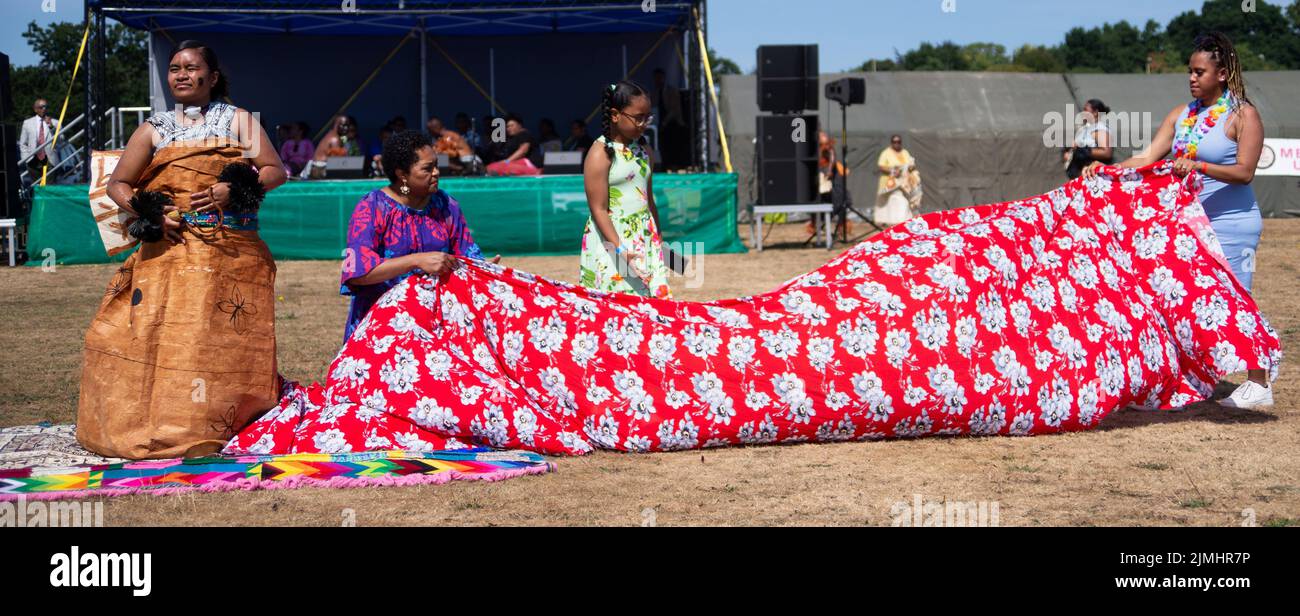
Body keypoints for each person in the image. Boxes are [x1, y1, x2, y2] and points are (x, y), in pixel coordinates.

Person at [77, 40, 288, 460]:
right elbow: (118, 184)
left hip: (228, 252)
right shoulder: (154, 128)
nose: (181, 75)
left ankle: (226, 422)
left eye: (191, 68)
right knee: (164, 336)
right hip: (168, 252)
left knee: (215, 338)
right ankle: (159, 423)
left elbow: (275, 170)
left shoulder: (240, 120)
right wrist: (148, 210)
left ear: (212, 77)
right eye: (174, 68)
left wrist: (236, 187)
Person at [1083, 32, 1271, 410]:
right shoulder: (1181, 115)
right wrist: (1106, 170)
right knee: (1179, 298)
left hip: (1232, 221)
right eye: (1189, 71)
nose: (1192, 78)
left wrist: (1199, 165)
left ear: (1222, 73)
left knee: (1235, 296)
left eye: (1200, 71)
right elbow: (1148, 157)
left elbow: (1245, 171)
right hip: (1188, 223)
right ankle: (1176, 378)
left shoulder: (1242, 114)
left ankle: (1258, 383)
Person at [341, 130, 500, 341]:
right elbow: (359, 274)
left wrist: (483, 269)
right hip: (381, 324)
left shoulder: (446, 205)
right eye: (427, 168)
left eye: (436, 165)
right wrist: (416, 261)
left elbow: (468, 257)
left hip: (436, 321)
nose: (436, 173)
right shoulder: (372, 208)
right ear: (402, 174)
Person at [579, 80, 671, 299]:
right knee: (616, 308)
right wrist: (621, 251)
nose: (643, 123)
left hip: (644, 237)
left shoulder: (645, 150)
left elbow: (648, 200)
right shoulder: (599, 153)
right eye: (638, 117)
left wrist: (658, 241)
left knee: (654, 306)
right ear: (615, 115)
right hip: (612, 242)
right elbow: (598, 209)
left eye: (647, 117)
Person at [875, 134, 921, 225]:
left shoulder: (905, 152)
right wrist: (892, 170)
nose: (896, 144)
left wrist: (910, 169)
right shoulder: (886, 153)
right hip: (890, 184)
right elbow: (881, 166)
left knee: (902, 201)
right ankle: (889, 222)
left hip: (903, 184)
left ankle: (900, 221)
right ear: (891, 143)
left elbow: (910, 165)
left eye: (898, 142)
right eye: (894, 142)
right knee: (889, 203)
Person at [1064, 99, 1113, 179]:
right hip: (1077, 175)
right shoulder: (1085, 128)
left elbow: (1106, 153)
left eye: (1085, 110)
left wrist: (1080, 149)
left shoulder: (1100, 129)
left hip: (1092, 176)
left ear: (1095, 112)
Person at [653, 68, 689, 170]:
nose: (657, 80)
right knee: (662, 147)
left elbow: (674, 110)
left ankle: (675, 166)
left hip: (673, 123)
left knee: (673, 146)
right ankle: (664, 165)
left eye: (659, 78)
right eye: (656, 78)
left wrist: (664, 122)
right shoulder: (654, 93)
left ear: (663, 78)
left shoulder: (671, 91)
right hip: (660, 124)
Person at [19, 98, 59, 179]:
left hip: (50, 160)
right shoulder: (27, 123)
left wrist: (52, 127)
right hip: (33, 159)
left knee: (49, 188)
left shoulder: (55, 122)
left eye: (45, 107)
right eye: (41, 107)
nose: (44, 109)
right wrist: (26, 158)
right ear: (35, 109)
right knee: (36, 187)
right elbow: (23, 143)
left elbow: (62, 140)